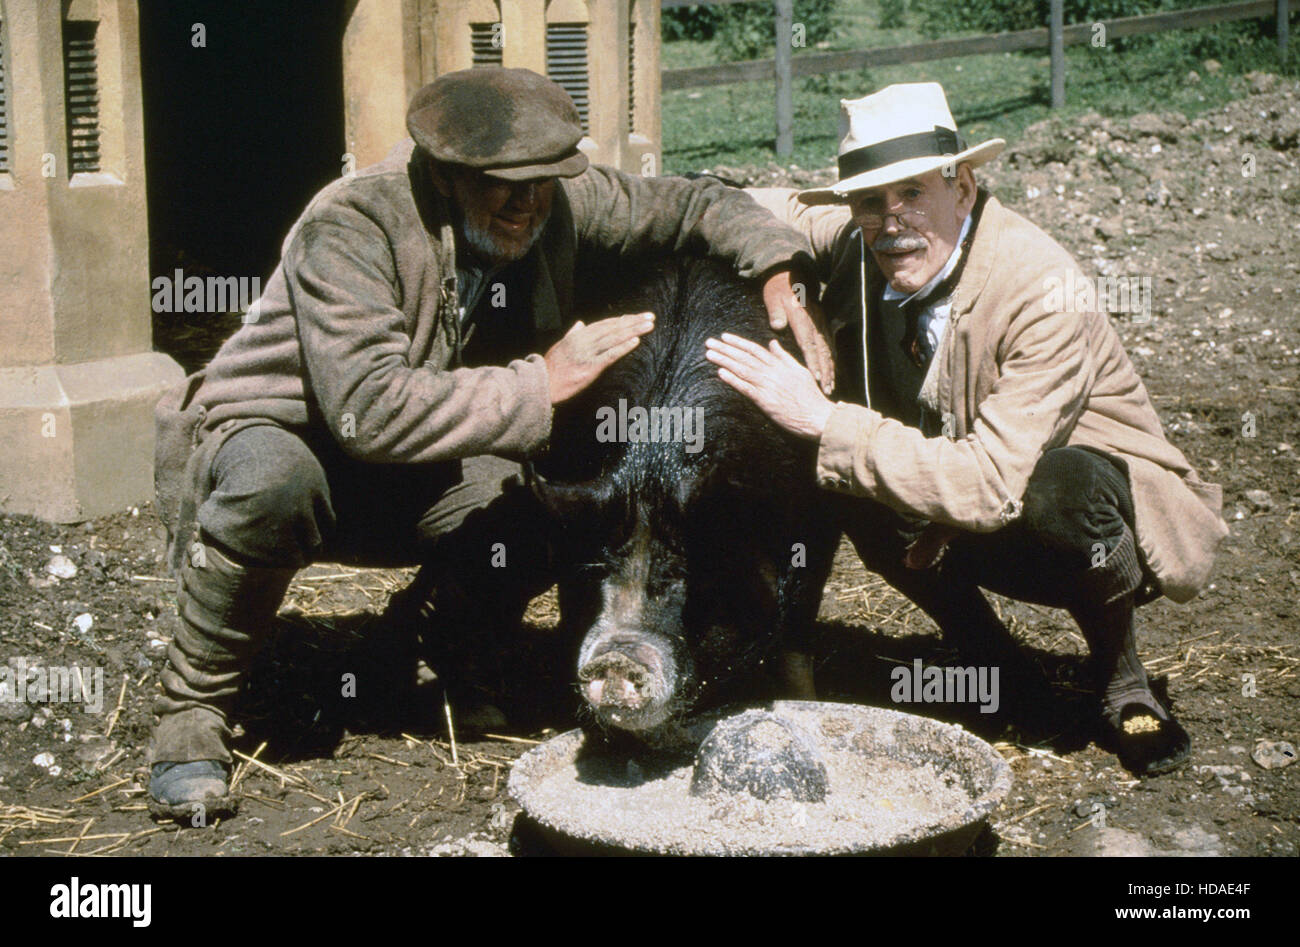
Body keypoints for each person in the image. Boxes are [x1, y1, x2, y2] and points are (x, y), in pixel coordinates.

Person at [148, 67, 832, 820]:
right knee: (274, 483)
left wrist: (777, 265)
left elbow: (698, 202)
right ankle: (192, 714)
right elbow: (366, 411)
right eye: (503, 185)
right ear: (443, 175)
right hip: (287, 433)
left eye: (542, 182)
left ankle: (428, 647)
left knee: (541, 515)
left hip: (419, 458)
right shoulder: (353, 224)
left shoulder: (554, 203)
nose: (526, 203)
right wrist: (544, 381)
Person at [706, 82, 1227, 776]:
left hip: (1076, 510)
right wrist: (779, 273)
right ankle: (994, 658)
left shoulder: (1043, 288)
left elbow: (989, 486)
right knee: (846, 472)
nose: (892, 223)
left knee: (1058, 487)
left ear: (963, 186)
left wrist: (824, 417)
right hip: (951, 483)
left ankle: (1120, 674)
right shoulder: (859, 240)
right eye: (870, 201)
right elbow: (725, 202)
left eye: (913, 193)